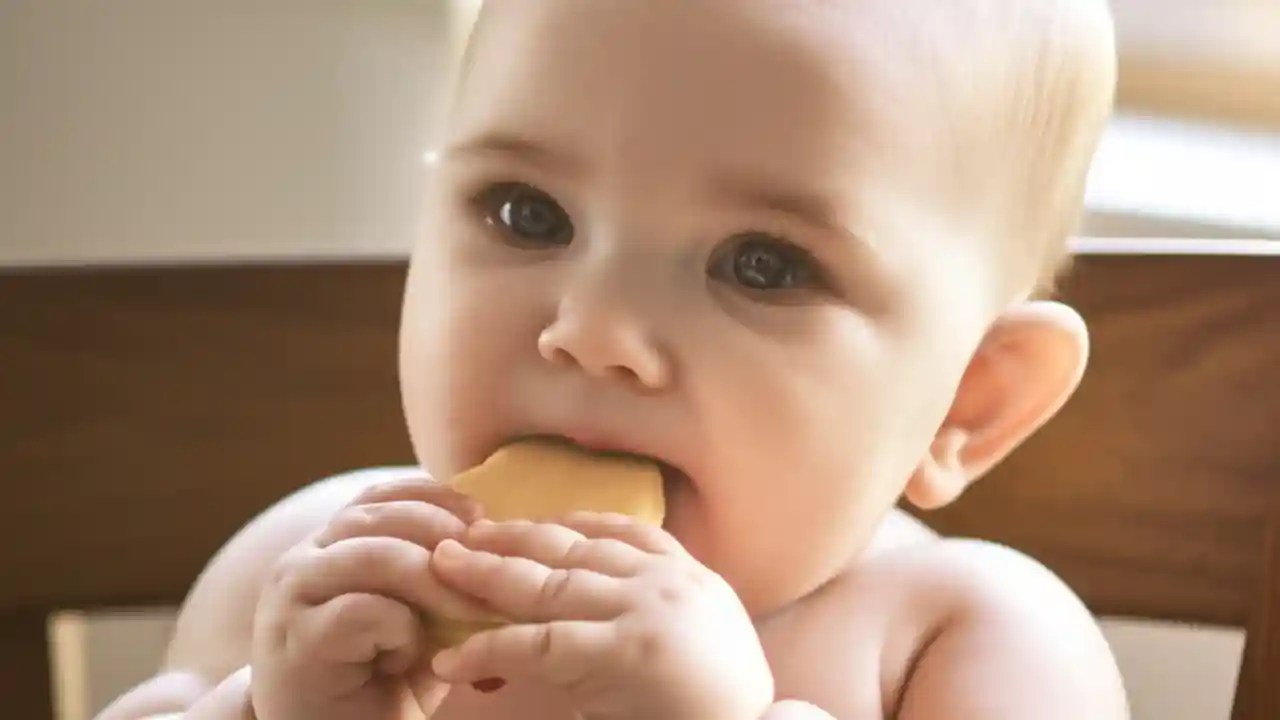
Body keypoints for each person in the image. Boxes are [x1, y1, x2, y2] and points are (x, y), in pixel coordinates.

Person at [99, 1, 1128, 718]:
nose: (588, 328)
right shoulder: (311, 567)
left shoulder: (966, 642)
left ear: (967, 402)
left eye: (760, 265)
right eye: (526, 212)